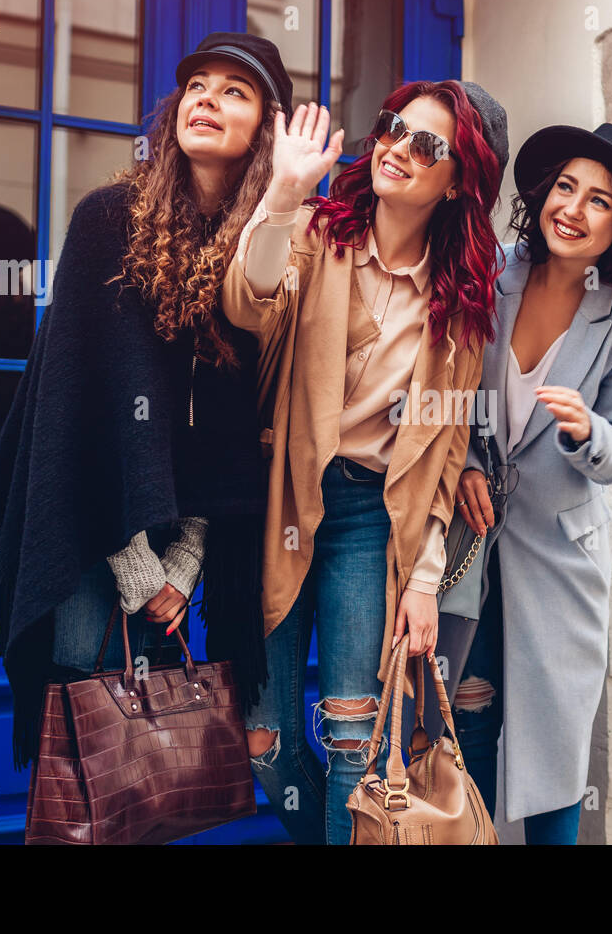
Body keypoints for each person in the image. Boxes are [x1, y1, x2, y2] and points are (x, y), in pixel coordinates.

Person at [0, 33, 294, 771]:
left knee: (143, 770)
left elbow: (233, 423)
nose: (208, 98)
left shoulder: (259, 253)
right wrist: (134, 562)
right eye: (198, 85)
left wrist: (185, 559)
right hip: (92, 537)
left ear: (265, 134)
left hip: (177, 552)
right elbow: (73, 411)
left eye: (235, 91)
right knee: (83, 747)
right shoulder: (108, 222)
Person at [218, 80, 509, 844]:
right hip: (278, 501)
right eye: (392, 127)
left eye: (428, 145)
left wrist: (422, 576)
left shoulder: (460, 307)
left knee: (359, 741)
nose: (398, 148)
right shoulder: (316, 235)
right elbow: (247, 301)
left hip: (373, 520)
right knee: (265, 745)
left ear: (458, 183)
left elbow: (446, 452)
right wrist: (284, 188)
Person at [451, 122, 612, 844]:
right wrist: (460, 463)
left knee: (556, 756)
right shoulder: (490, 274)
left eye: (600, 201)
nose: (573, 209)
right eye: (566, 187)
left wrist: (587, 432)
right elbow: (444, 391)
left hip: (561, 557)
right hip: (471, 545)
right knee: (466, 722)